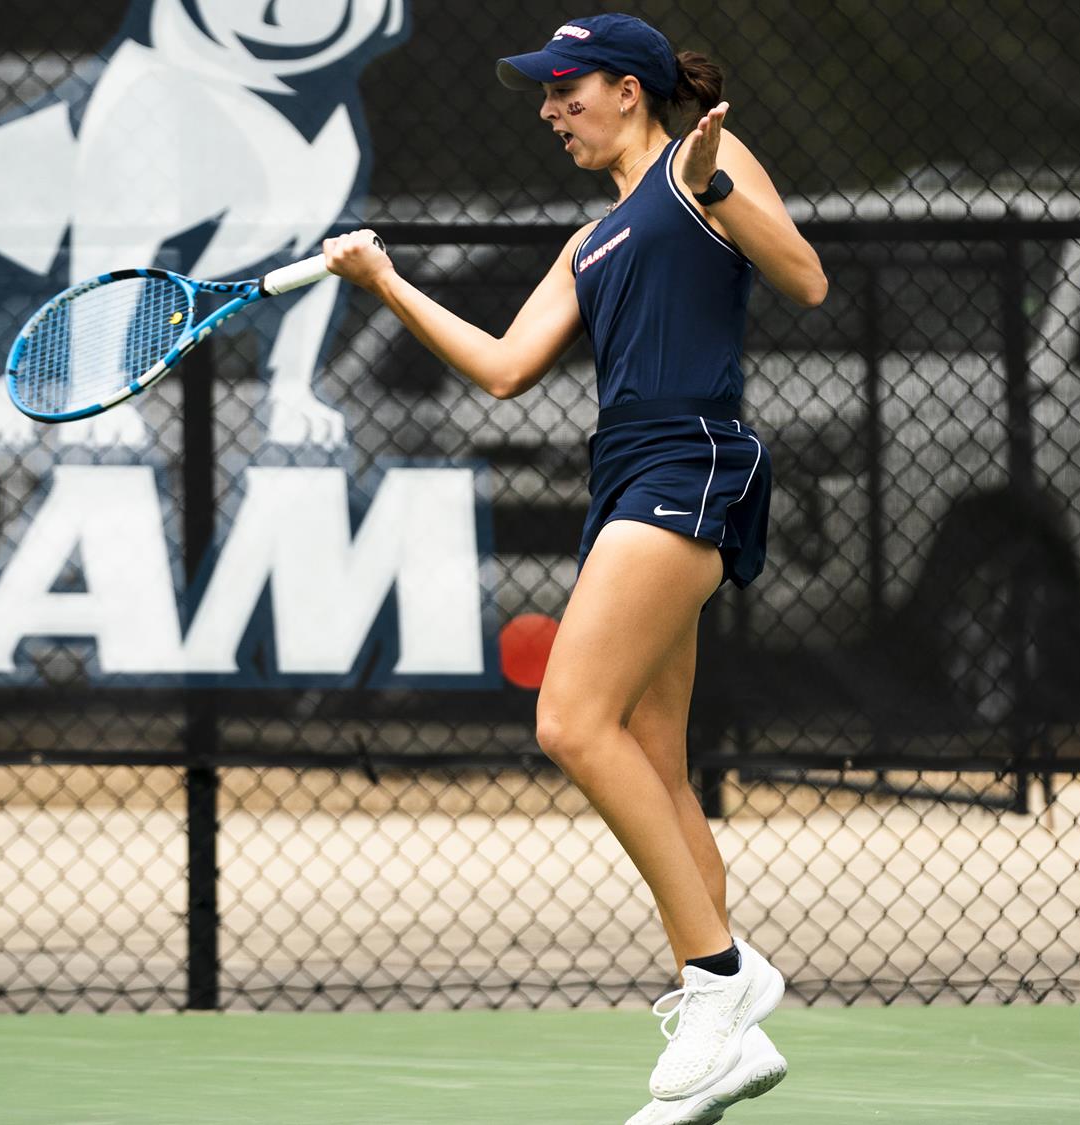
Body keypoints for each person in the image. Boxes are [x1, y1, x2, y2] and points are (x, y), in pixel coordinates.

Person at [323, 13, 826, 1123]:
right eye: (543, 92)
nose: (550, 109)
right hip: (626, 470)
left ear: (632, 90)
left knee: (567, 721)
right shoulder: (586, 242)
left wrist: (717, 187)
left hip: (689, 458)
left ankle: (716, 984)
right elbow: (504, 369)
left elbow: (805, 281)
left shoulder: (706, 165)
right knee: (650, 753)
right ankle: (724, 1026)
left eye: (567, 88)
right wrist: (388, 285)